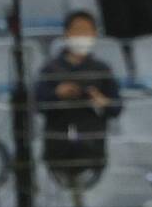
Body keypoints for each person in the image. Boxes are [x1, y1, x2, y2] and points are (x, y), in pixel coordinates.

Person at [35, 11, 122, 194]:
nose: (82, 36)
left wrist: (101, 100)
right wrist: (57, 94)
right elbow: (38, 104)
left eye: (87, 31)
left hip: (93, 147)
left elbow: (116, 107)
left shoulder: (101, 69)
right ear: (66, 34)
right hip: (58, 147)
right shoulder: (50, 69)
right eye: (77, 30)